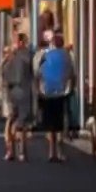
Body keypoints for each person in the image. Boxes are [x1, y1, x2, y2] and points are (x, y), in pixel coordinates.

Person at [34, 32, 75, 162]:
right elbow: (72, 74)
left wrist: (38, 90)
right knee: (60, 123)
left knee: (50, 124)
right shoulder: (66, 56)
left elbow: (38, 74)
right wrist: (71, 88)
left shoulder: (45, 55)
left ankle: (51, 152)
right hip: (61, 93)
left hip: (47, 93)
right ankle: (61, 151)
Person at [0, 34, 34, 161]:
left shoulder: (15, 55)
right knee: (17, 122)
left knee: (15, 121)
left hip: (15, 91)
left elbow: (3, 72)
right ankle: (18, 151)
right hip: (18, 91)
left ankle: (15, 150)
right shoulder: (23, 55)